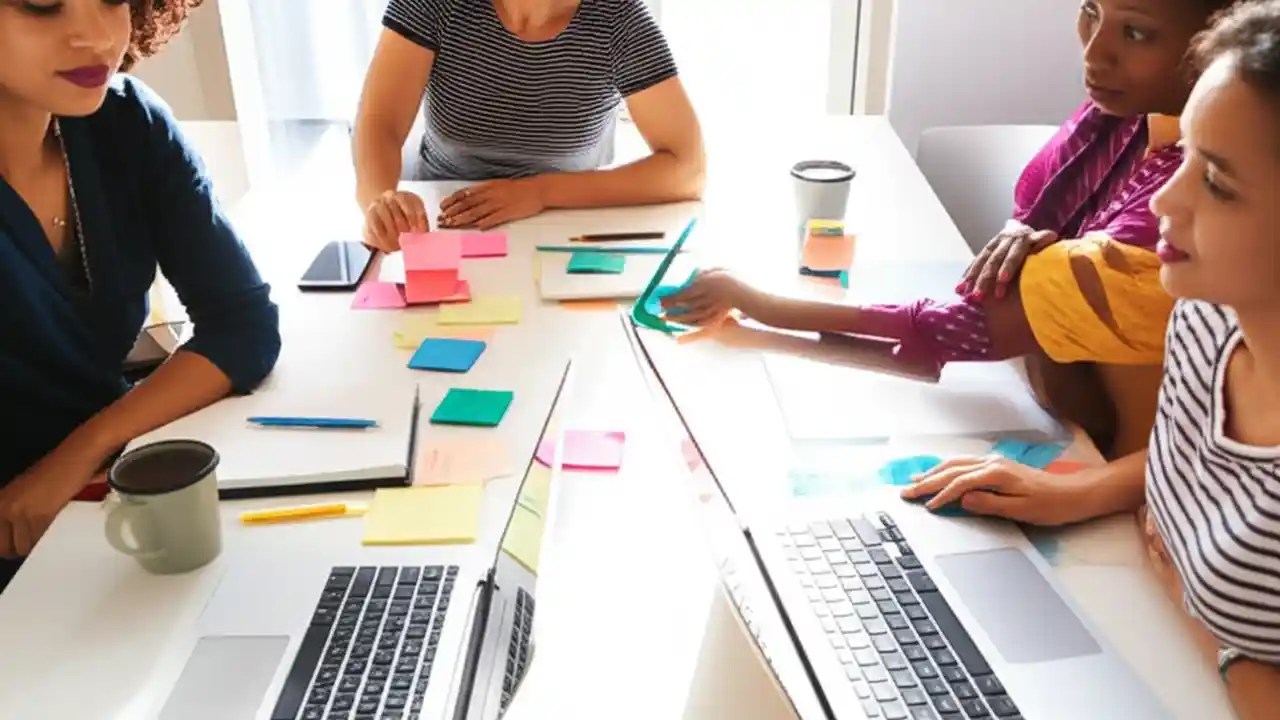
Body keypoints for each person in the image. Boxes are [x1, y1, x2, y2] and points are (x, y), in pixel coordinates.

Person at [905, 2, 1280, 715]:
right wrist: (1079, 491)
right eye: (1185, 155)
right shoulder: (1207, 320)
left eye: (1219, 182)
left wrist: (1226, 648)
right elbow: (1196, 458)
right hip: (1145, 640)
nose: (1166, 196)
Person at [666, 0, 1235, 457]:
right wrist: (1029, 238)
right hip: (1069, 422)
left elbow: (945, 332)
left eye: (1135, 34)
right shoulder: (1130, 113)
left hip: (1129, 486)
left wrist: (760, 308)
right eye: (1089, 10)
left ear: (1218, 37)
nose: (1094, 52)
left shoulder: (1180, 201)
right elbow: (1030, 225)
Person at [0, 0, 281, 587]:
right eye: (40, 6)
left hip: (105, 504)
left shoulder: (125, 124)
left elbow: (243, 327)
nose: (97, 36)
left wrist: (83, 449)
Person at [353, 0, 706, 250]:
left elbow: (688, 170)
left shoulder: (619, 20)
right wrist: (379, 199)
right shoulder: (434, 5)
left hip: (566, 227)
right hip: (443, 220)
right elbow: (380, 120)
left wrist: (540, 193)